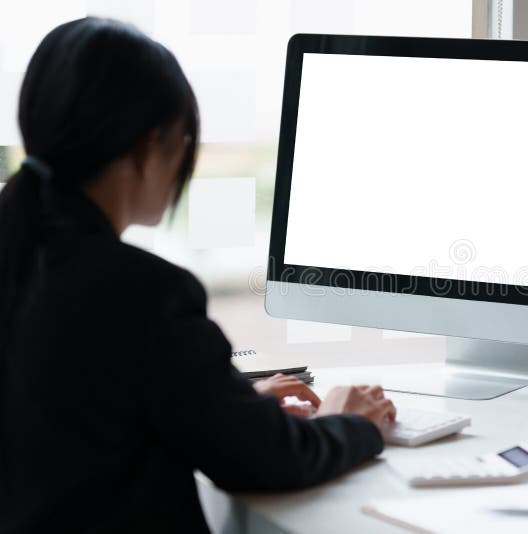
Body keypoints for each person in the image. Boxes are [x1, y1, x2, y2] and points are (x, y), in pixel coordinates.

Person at [0, 17, 396, 533]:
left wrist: (221, 405)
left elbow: (78, 413)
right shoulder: (143, 292)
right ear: (151, 144)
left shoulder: (21, 254)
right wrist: (352, 422)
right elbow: (268, 462)